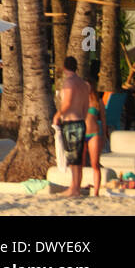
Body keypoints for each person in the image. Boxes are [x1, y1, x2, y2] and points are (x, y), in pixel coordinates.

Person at [52, 55, 90, 197]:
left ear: (64, 68)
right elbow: (86, 105)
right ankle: (76, 187)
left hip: (71, 123)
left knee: (73, 158)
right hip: (81, 121)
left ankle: (73, 188)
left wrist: (57, 115)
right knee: (78, 158)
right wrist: (83, 117)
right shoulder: (83, 83)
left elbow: (67, 103)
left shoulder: (69, 83)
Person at [85, 86, 108, 197]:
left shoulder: (98, 101)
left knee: (95, 163)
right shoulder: (80, 99)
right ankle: (80, 186)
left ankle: (96, 191)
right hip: (81, 133)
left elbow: (103, 119)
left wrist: (104, 135)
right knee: (80, 162)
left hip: (94, 134)